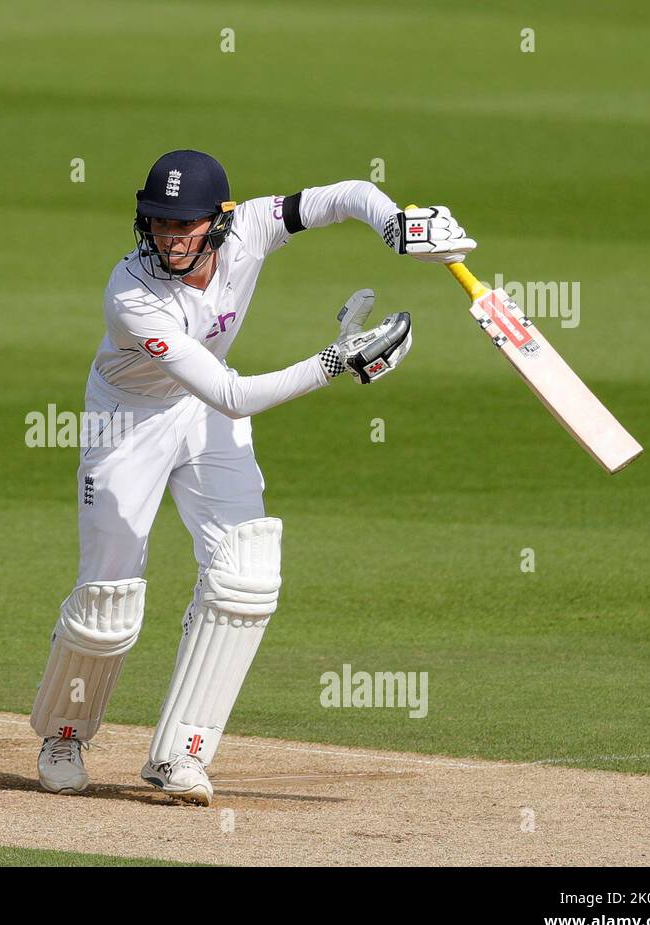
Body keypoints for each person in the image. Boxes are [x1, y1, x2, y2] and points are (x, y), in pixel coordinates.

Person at [29, 148, 475, 805]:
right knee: (109, 597)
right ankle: (65, 733)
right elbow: (231, 395)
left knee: (246, 575)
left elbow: (345, 191)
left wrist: (396, 226)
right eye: (157, 224)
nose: (169, 238)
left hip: (204, 421)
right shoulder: (131, 295)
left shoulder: (253, 228)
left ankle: (182, 755)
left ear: (220, 220)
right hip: (126, 425)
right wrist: (335, 361)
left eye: (183, 226)